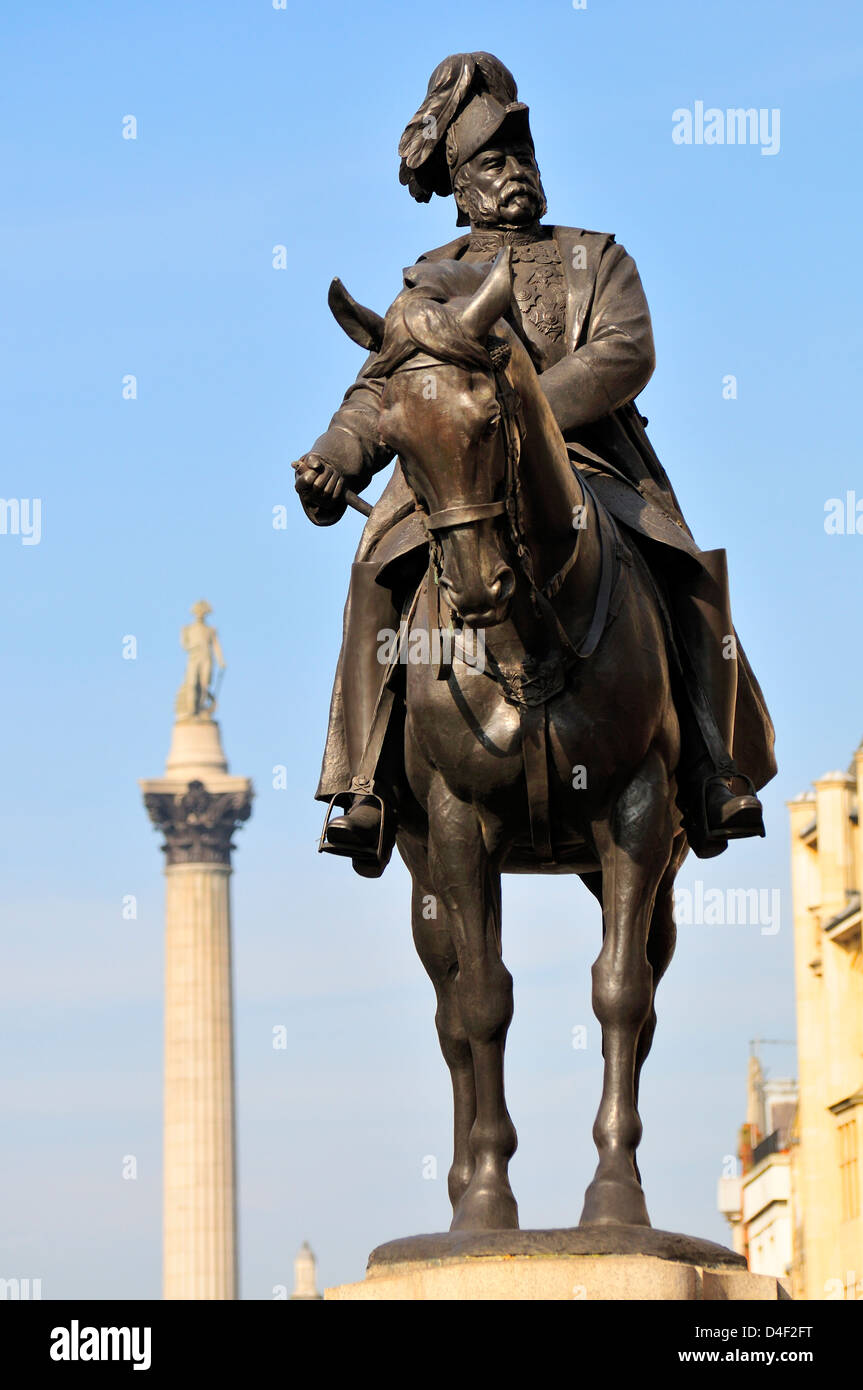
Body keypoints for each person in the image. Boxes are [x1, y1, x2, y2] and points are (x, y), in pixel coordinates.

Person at [294, 52, 775, 874]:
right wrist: (337, 454)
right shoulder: (425, 287)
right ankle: (364, 780)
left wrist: (525, 418)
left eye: (523, 156)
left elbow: (625, 352)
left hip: (588, 463)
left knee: (684, 567)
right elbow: (379, 391)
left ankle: (712, 765)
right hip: (452, 475)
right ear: (459, 181)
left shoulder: (598, 260)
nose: (515, 173)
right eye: (492, 161)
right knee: (376, 566)